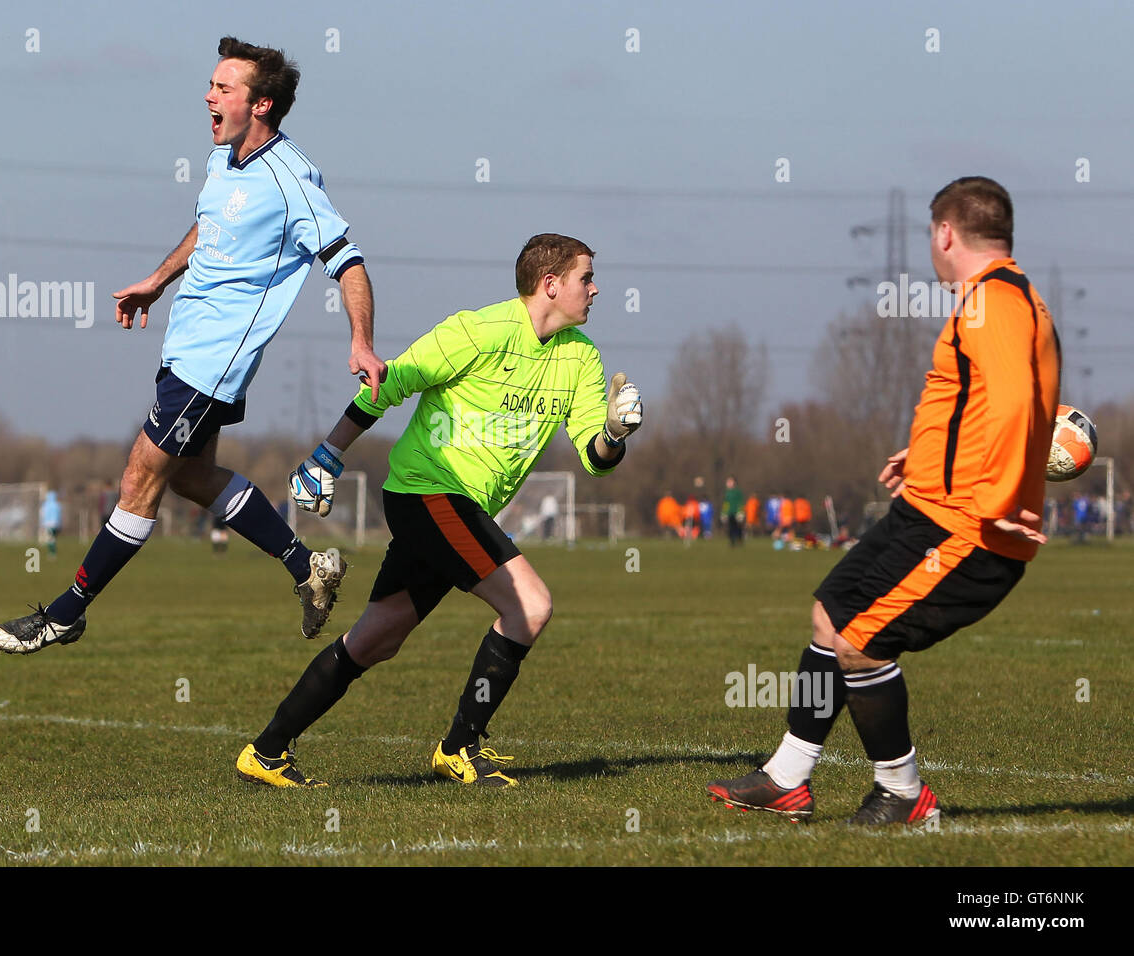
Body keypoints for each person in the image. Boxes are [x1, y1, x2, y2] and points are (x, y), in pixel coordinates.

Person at [0, 37, 386, 654]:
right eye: (212, 84)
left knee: (139, 477)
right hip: (185, 348)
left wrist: (361, 340)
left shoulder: (293, 180)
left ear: (262, 104)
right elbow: (209, 228)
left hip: (214, 361)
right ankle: (308, 568)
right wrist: (156, 280)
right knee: (193, 478)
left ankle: (66, 612)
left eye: (223, 88)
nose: (208, 96)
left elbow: (348, 260)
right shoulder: (222, 160)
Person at [708, 176, 1059, 825]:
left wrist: (999, 496)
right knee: (831, 615)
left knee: (862, 639)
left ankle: (902, 793)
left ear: (945, 233)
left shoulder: (999, 301)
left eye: (933, 233)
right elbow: (987, 404)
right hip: (926, 510)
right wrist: (923, 454)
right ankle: (786, 777)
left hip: (965, 527)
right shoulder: (991, 299)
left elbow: (1014, 402)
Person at [235, 233, 643, 788]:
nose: (595, 290)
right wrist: (328, 453)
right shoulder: (477, 331)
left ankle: (265, 751)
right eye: (586, 278)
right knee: (531, 605)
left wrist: (615, 434)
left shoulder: (582, 359)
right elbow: (392, 381)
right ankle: (460, 748)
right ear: (551, 285)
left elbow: (594, 457)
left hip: (462, 509)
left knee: (377, 639)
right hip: (426, 493)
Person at [721, 476, 744, 547]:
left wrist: (740, 512)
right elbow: (726, 503)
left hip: (736, 513)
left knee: (738, 527)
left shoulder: (737, 492)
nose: (728, 483)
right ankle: (732, 542)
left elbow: (740, 502)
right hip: (729, 513)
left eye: (730, 481)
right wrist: (724, 513)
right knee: (730, 528)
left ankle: (740, 540)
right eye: (728, 482)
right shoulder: (727, 493)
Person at [40, 490, 62, 558]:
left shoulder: (46, 505)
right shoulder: (57, 505)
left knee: (50, 539)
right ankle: (53, 553)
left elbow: (43, 515)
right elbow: (59, 515)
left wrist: (42, 523)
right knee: (53, 539)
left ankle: (52, 553)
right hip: (56, 524)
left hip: (48, 524)